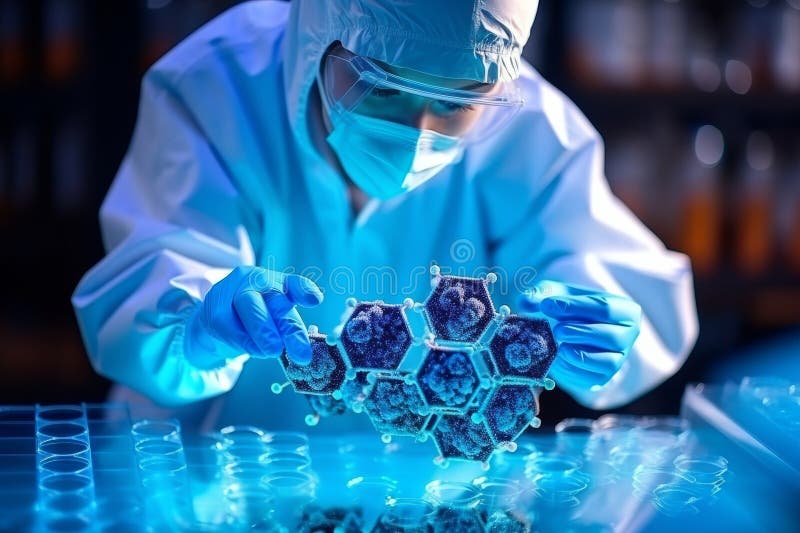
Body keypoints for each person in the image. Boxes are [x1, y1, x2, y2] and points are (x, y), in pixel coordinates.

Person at [72, 0, 698, 431]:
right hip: (211, 478)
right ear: (324, 34)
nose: (418, 131)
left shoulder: (533, 130)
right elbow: (145, 300)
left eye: (455, 103)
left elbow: (602, 269)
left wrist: (595, 326)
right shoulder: (215, 88)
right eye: (386, 87)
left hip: (419, 493)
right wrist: (197, 327)